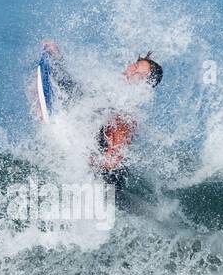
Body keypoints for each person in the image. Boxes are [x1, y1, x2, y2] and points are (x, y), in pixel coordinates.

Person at [39, 40, 162, 186]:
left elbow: (112, 162)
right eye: (135, 66)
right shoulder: (109, 91)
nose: (132, 72)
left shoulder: (126, 115)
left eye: (139, 75)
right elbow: (76, 92)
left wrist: (78, 157)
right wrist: (58, 59)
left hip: (107, 181)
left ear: (144, 86)